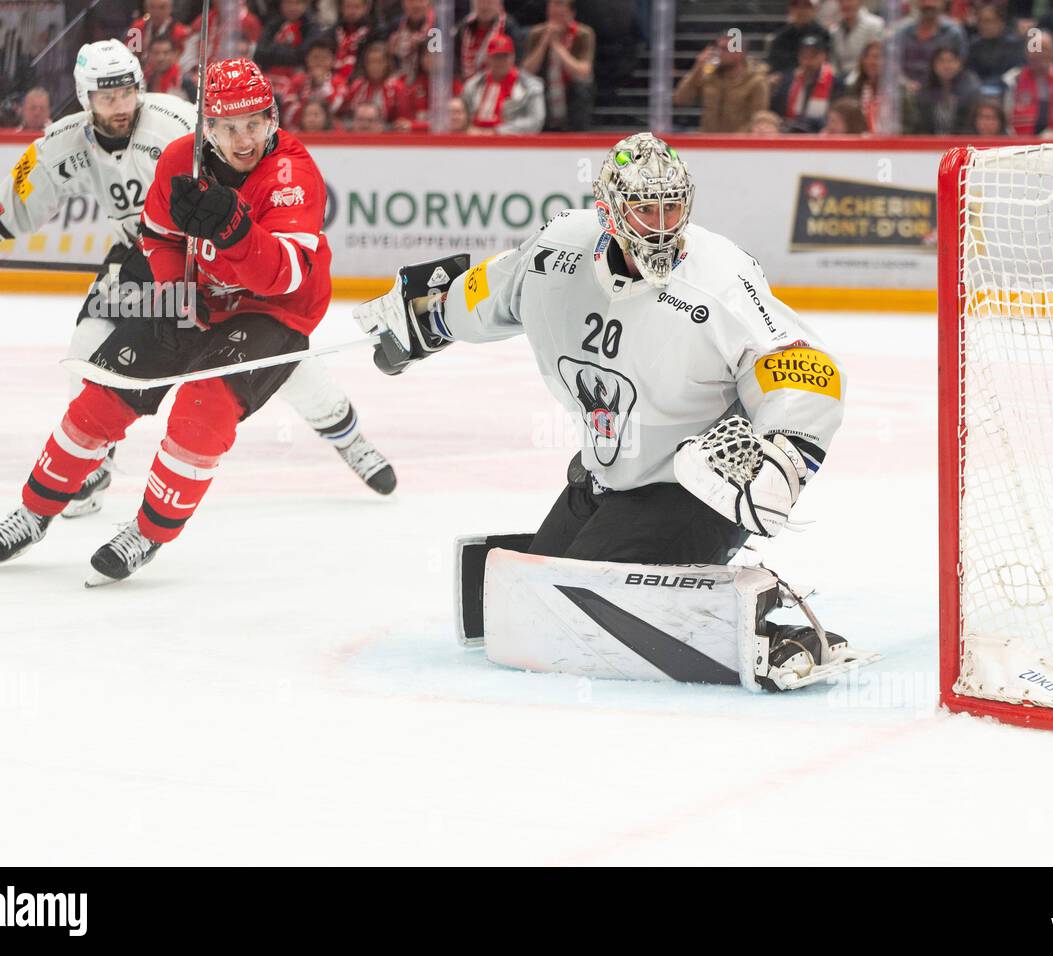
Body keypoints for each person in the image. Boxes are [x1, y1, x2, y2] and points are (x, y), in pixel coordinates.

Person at [357, 133, 851, 688]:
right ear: (610, 213)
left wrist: (787, 455)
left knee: (563, 623)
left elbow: (800, 364)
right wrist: (427, 318)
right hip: (602, 476)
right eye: (646, 210)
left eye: (673, 207)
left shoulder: (720, 275)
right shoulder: (557, 249)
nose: (663, 225)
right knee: (520, 608)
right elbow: (488, 292)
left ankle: (771, 633)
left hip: (693, 488)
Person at [0, 57, 387, 585]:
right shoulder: (182, 160)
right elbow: (158, 237)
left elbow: (283, 277)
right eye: (229, 126)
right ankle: (34, 511)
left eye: (254, 123)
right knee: (101, 393)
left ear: (272, 119)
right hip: (199, 290)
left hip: (272, 310)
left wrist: (231, 230)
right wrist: (174, 289)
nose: (244, 139)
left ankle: (147, 532)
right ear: (208, 125)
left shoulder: (292, 176)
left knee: (202, 409)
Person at [674, 30, 772, 133]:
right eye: (717, 48)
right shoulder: (708, 76)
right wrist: (697, 68)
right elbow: (681, 99)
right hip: (707, 141)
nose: (718, 53)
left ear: (739, 53)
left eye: (724, 49)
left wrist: (733, 141)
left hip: (739, 143)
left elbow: (758, 118)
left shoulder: (756, 81)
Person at [521, 0, 596, 131]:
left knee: (582, 86)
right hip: (545, 98)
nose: (556, 15)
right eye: (552, 13)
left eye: (560, 14)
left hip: (572, 101)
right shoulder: (537, 33)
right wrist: (544, 43)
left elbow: (584, 72)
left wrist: (557, 46)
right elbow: (526, 71)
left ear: (572, 13)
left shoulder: (583, 34)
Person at [461, 33, 545, 134]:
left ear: (513, 58)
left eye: (505, 56)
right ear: (487, 59)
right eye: (496, 56)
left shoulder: (531, 86)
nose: (500, 61)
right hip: (475, 140)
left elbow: (535, 122)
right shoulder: (473, 85)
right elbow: (463, 115)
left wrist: (498, 131)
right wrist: (469, 128)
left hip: (513, 142)